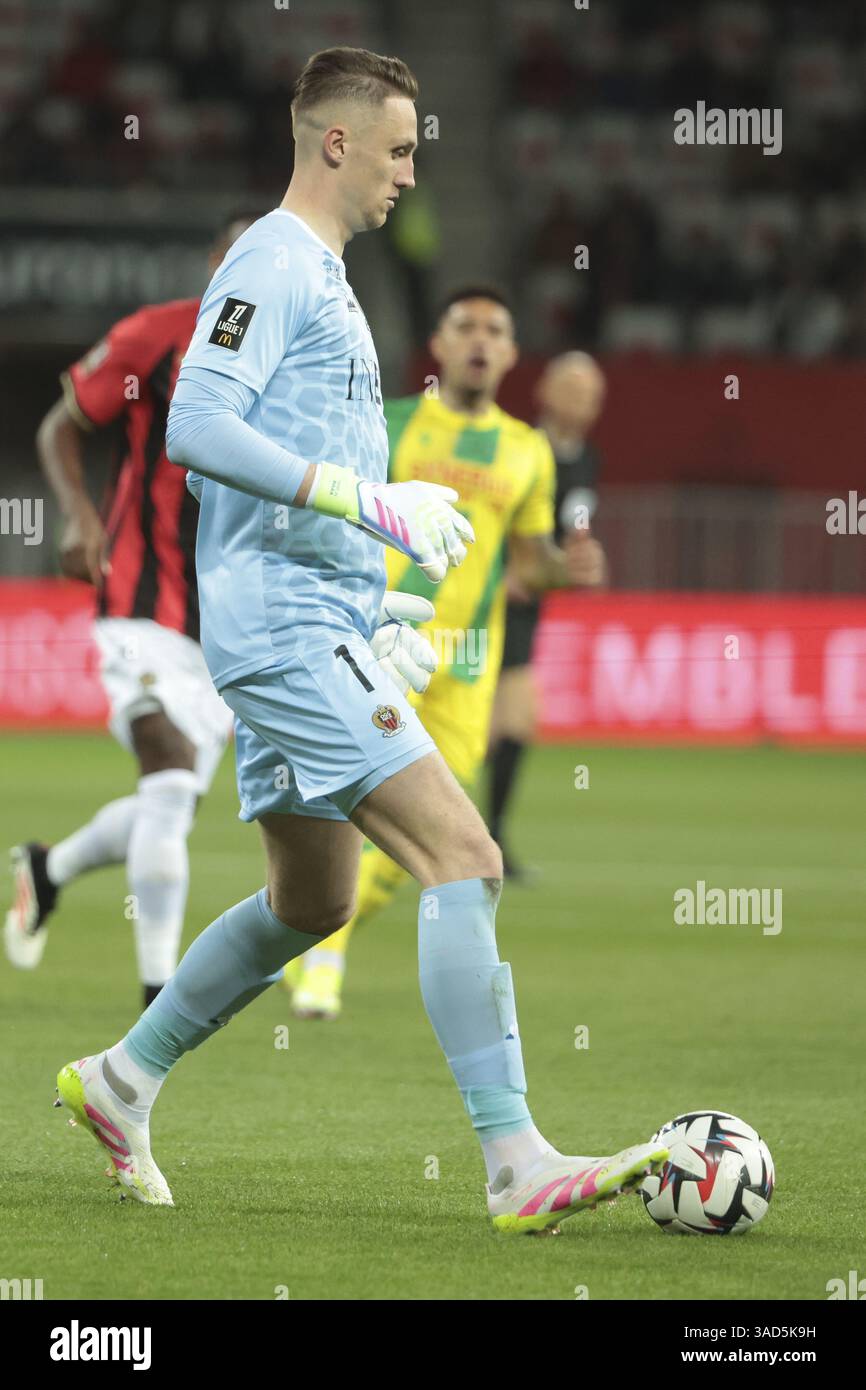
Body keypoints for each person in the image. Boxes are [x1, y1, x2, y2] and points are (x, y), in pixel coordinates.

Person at [54, 46, 666, 1233]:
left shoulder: (325, 276)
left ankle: (122, 1078)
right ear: (334, 142)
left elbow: (267, 465)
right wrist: (360, 503)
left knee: (310, 899)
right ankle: (512, 1161)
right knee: (465, 857)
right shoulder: (274, 262)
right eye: (398, 149)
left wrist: (369, 596)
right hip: (279, 628)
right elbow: (196, 425)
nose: (409, 173)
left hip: (312, 615)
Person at [287, 290, 606, 1021]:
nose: (480, 340)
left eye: (496, 329)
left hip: (466, 667)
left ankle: (311, 941)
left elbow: (530, 563)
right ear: (438, 344)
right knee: (355, 807)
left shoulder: (527, 451)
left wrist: (570, 567)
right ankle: (323, 958)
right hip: (378, 642)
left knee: (435, 829)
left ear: (513, 353)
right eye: (465, 326)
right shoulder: (391, 423)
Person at [5, 212, 263, 1005]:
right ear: (216, 259)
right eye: (237, 255)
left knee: (167, 803)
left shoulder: (291, 355)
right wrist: (81, 518)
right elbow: (62, 425)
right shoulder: (158, 334)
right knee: (170, 774)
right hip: (138, 598)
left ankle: (47, 869)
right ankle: (160, 995)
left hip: (226, 624)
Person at [488, 352, 607, 879]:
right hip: (483, 601)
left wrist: (578, 566)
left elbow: (568, 535)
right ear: (544, 391)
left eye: (592, 393)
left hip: (528, 606)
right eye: (572, 388)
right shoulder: (518, 449)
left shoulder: (587, 461)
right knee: (496, 723)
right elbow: (485, 516)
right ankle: (472, 839)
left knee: (512, 723)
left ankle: (486, 840)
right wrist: (503, 573)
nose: (582, 401)